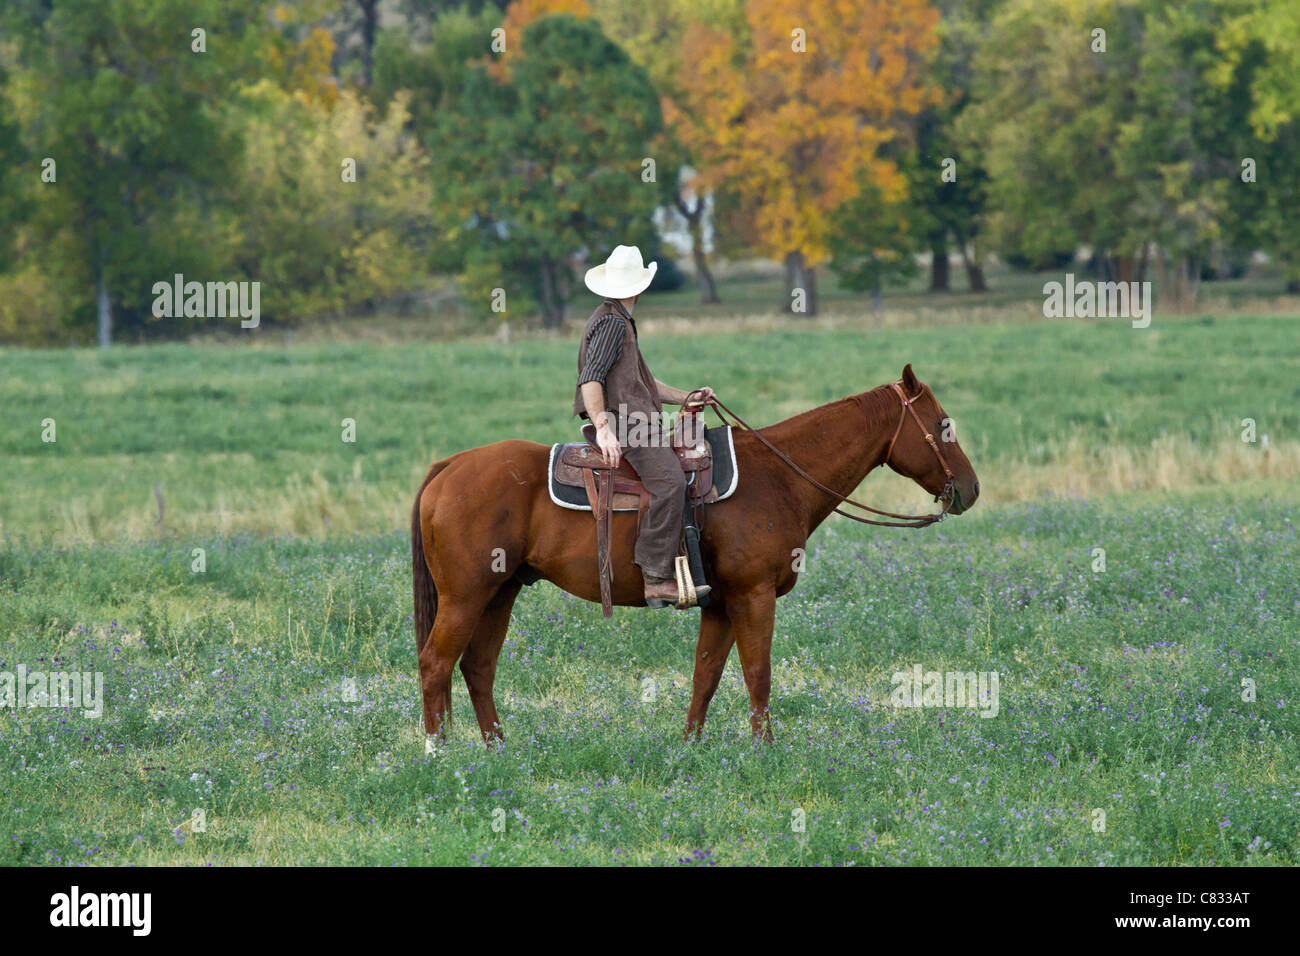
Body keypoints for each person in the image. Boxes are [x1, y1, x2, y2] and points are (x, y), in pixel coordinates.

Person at [573, 245, 714, 607]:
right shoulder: (612, 324)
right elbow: (591, 379)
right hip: (627, 425)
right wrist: (604, 428)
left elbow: (644, 386)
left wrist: (688, 397)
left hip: (633, 419)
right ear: (640, 287)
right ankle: (656, 576)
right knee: (671, 482)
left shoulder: (616, 319)